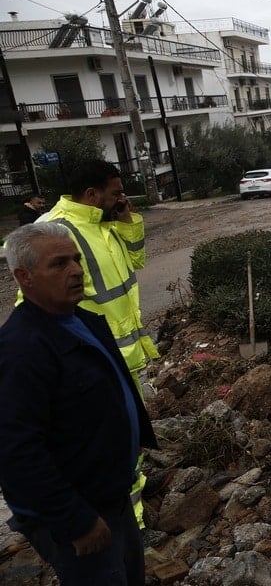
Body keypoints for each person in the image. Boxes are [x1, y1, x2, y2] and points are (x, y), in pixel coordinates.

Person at [0, 222, 157, 585]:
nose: (75, 270)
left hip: (113, 497)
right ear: (25, 277)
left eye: (76, 259)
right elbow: (16, 453)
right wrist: (76, 521)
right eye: (59, 264)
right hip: (80, 514)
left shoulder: (80, 319)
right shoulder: (21, 350)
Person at [31, 159, 158, 526]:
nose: (122, 198)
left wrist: (127, 220)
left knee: (130, 429)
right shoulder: (54, 232)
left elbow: (138, 259)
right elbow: (38, 307)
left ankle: (133, 492)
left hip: (125, 354)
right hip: (95, 362)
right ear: (91, 194)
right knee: (111, 439)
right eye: (116, 193)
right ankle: (129, 523)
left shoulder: (103, 223)